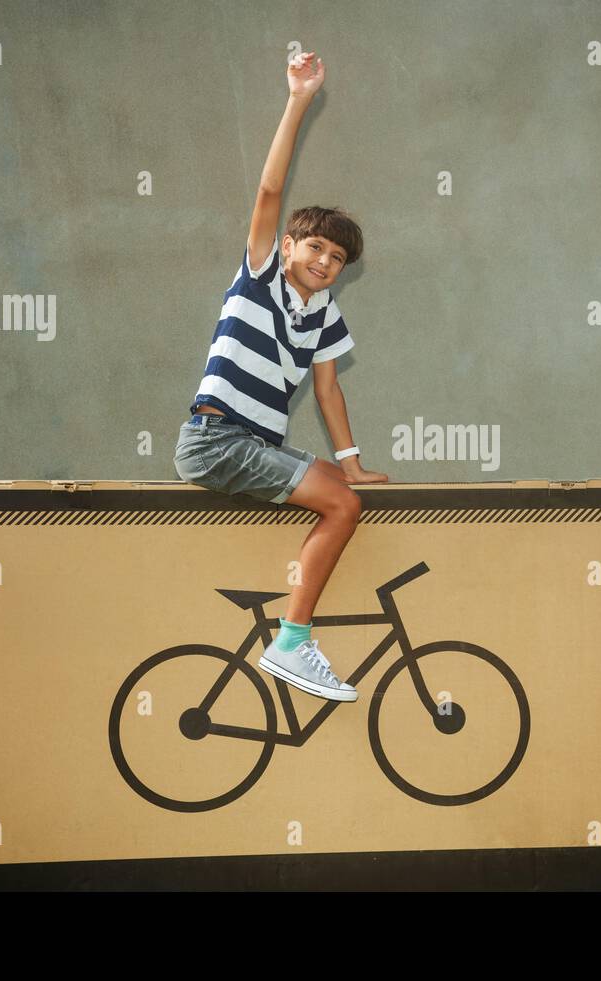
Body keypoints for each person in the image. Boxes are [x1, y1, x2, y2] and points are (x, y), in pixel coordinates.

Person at [173, 50, 388, 703]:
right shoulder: (260, 274)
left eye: (338, 257)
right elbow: (270, 191)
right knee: (343, 506)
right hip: (218, 440)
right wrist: (298, 100)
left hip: (256, 444)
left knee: (344, 490)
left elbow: (328, 388)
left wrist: (350, 459)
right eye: (316, 247)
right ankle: (293, 641)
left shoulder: (322, 314)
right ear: (289, 247)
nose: (326, 260)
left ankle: (292, 633)